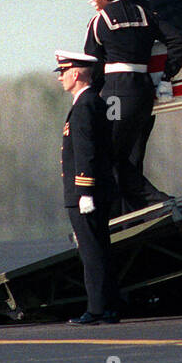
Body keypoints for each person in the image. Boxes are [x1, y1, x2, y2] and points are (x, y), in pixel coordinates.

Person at [83, 0, 182, 214]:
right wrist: (166, 76)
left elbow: (91, 68)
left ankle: (158, 204)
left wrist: (91, 101)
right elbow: (177, 41)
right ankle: (134, 216)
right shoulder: (145, 13)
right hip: (144, 95)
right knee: (131, 159)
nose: (95, 2)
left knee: (106, 155)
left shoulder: (99, 22)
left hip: (116, 98)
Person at [56, 50, 120, 325]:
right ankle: (107, 306)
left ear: (76, 73)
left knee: (92, 251)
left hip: (87, 192)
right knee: (98, 249)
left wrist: (84, 191)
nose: (60, 77)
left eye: (63, 71)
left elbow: (87, 152)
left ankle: (97, 309)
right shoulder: (91, 103)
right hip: (94, 189)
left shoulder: (85, 105)